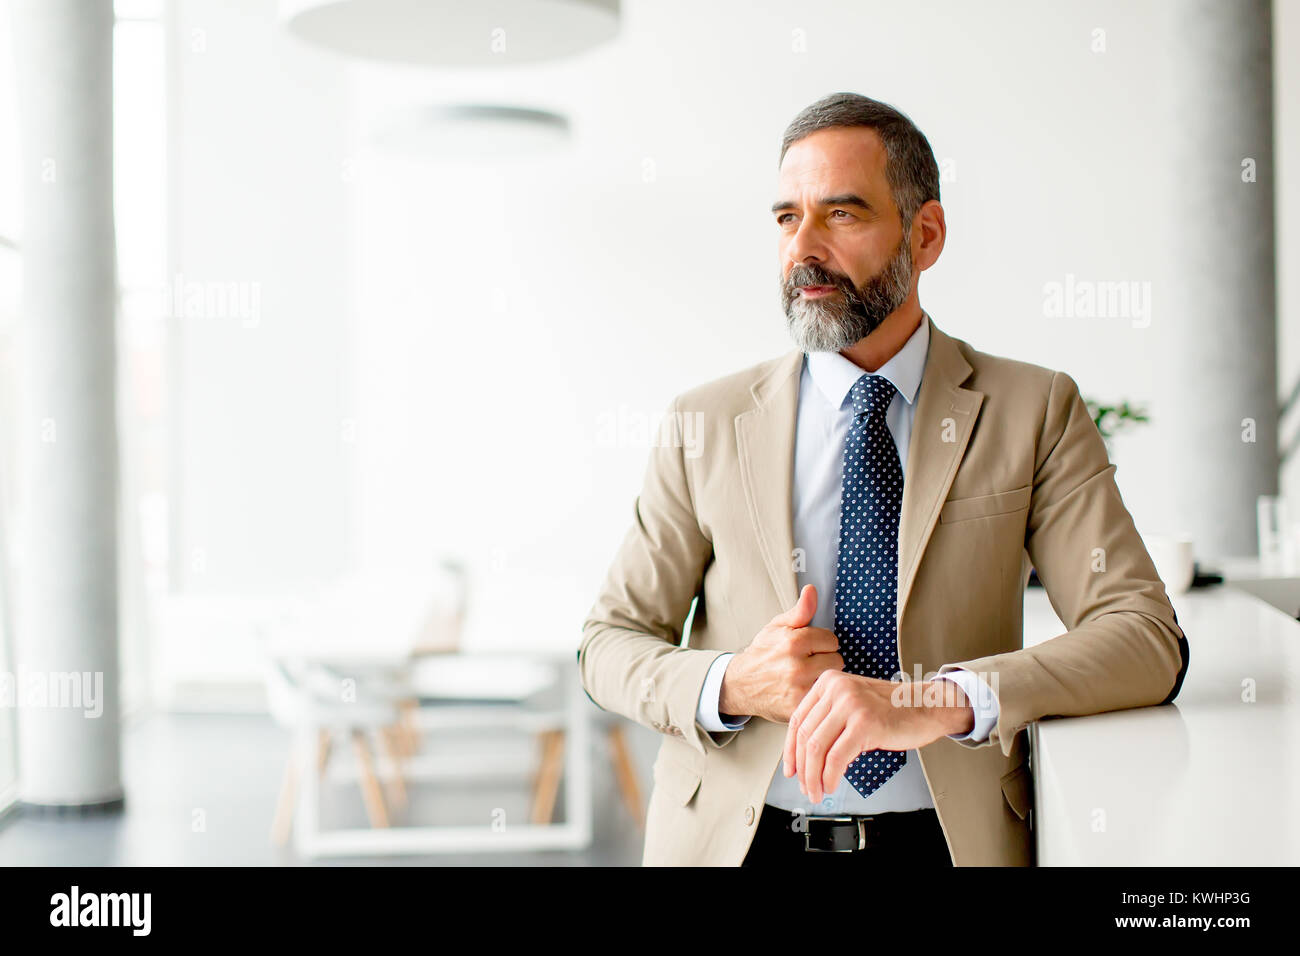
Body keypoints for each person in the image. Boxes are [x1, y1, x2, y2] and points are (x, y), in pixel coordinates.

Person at [577, 92, 1188, 867]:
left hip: (948, 845)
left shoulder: (1032, 410)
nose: (803, 248)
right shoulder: (705, 420)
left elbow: (1144, 637)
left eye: (842, 215)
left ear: (924, 234)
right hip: (735, 844)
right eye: (785, 219)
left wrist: (937, 700)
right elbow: (609, 645)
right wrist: (732, 683)